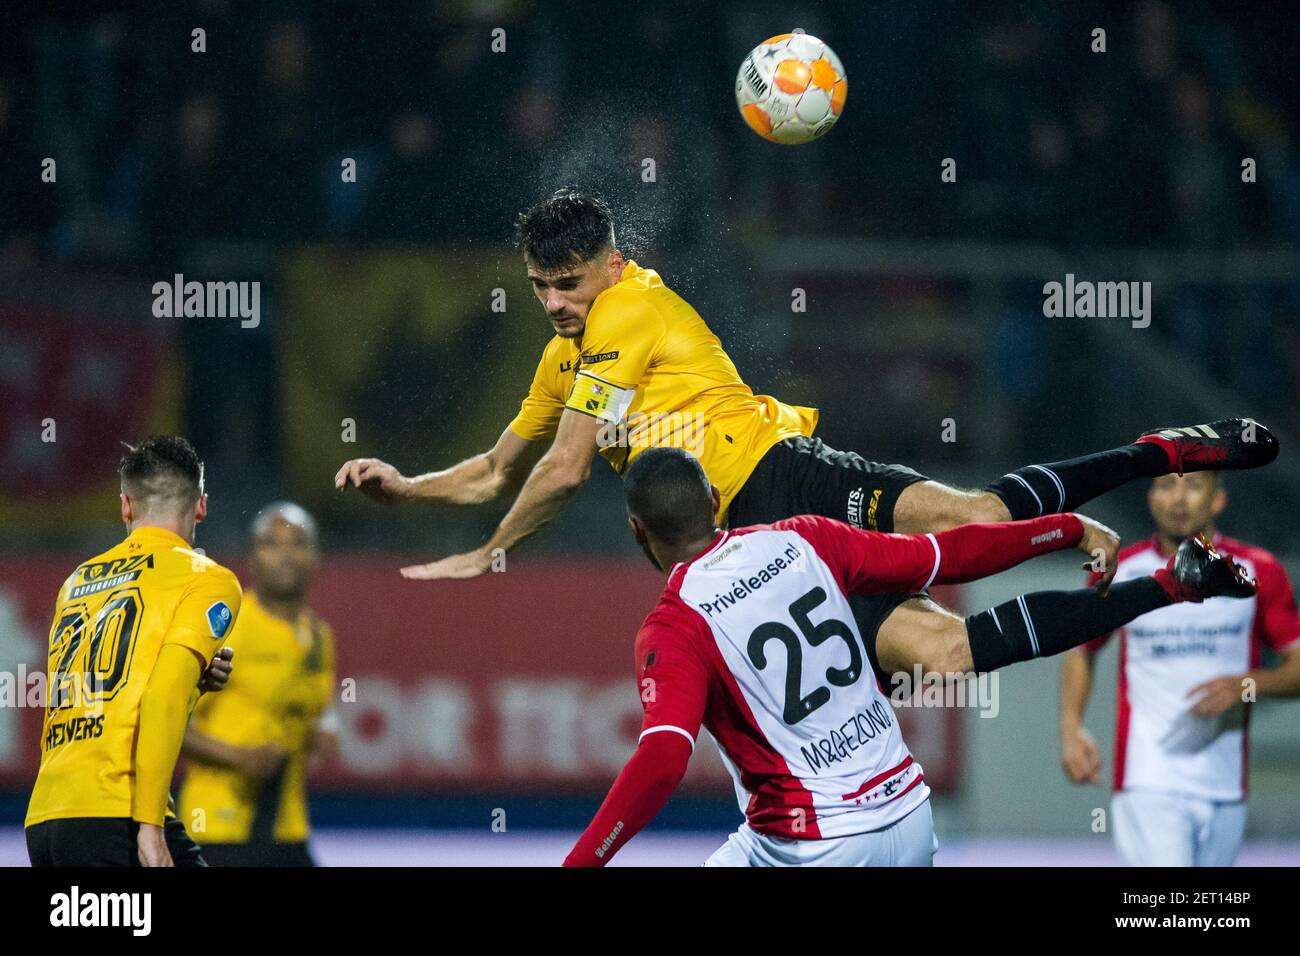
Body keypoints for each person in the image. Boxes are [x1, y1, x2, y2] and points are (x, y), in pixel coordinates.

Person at [335, 188, 1276, 674]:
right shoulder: (563, 358)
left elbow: (566, 472)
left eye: (568, 283)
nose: (554, 304)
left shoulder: (626, 311)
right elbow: (502, 467)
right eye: (540, 287)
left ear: (612, 264)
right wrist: (408, 486)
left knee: (969, 518)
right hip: (743, 553)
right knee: (944, 654)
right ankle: (1174, 585)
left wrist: (487, 554)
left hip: (781, 476)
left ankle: (1162, 450)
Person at [563, 448, 1258, 867]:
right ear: (715, 499)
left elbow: (661, 758)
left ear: (636, 530)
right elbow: (953, 555)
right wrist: (1068, 528)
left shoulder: (674, 625)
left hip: (814, 843)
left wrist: (581, 860)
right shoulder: (803, 538)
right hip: (908, 814)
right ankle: (1168, 584)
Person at [1059, 472, 1300, 866]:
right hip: (1147, 778)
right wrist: (1072, 729)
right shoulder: (1121, 570)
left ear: (1218, 498)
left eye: (1193, 486)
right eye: (1167, 485)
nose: (1179, 498)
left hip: (1225, 784)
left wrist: (1247, 684)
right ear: (1151, 497)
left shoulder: (1259, 570)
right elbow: (1081, 648)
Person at [26, 435, 241, 868]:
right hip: (118, 815)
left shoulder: (76, 582)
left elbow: (103, 694)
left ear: (126, 505)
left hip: (47, 817)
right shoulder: (207, 579)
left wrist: (195, 687)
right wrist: (150, 829)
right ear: (201, 505)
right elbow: (162, 695)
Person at [180, 502, 337, 867]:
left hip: (286, 828)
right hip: (218, 829)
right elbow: (168, 722)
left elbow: (315, 710)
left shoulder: (318, 636)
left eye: (297, 543)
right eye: (271, 544)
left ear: (315, 558)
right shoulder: (226, 628)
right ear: (253, 558)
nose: (285, 555)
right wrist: (239, 758)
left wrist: (322, 733)